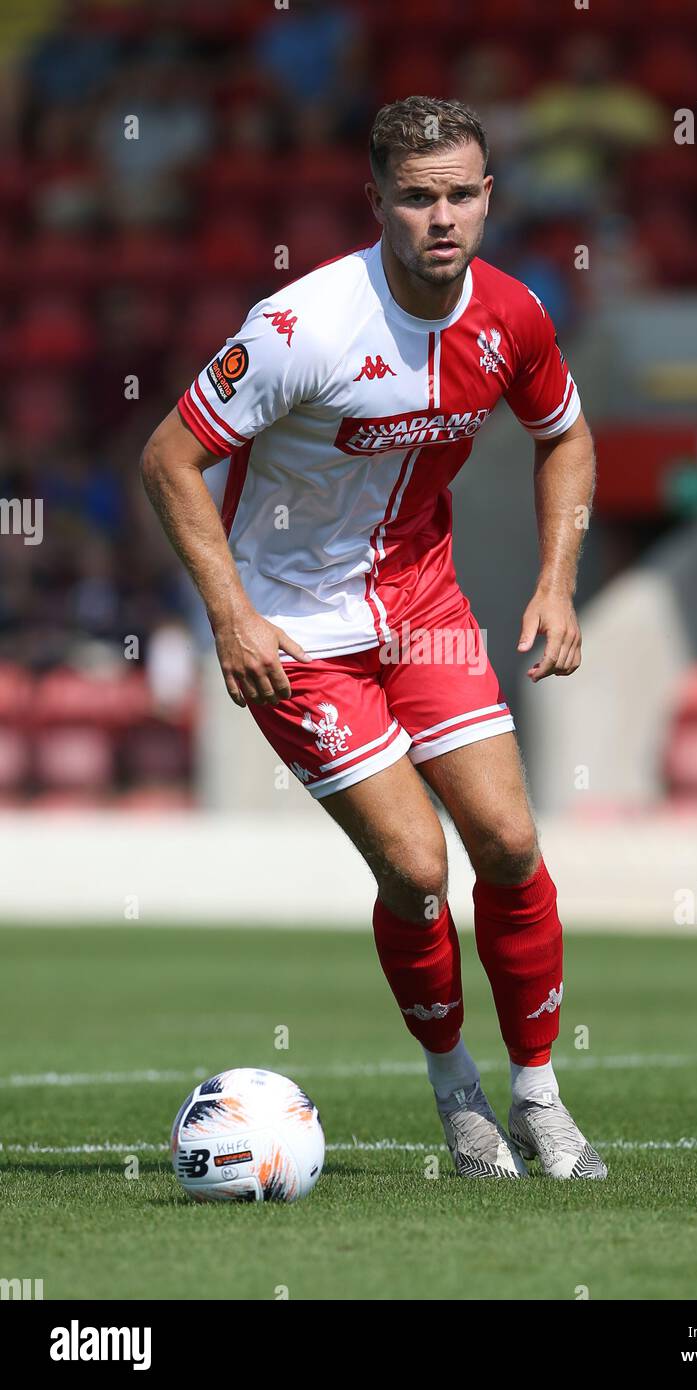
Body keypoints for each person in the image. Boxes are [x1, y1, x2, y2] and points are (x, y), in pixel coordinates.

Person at [141, 95, 604, 1180]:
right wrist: (230, 614)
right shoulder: (301, 329)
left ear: (489, 197)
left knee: (509, 844)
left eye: (459, 195)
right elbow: (168, 458)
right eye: (415, 197)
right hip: (295, 631)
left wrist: (557, 579)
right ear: (377, 203)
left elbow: (566, 436)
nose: (440, 218)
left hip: (425, 609)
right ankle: (458, 1096)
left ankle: (537, 1094)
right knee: (415, 865)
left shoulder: (513, 316)